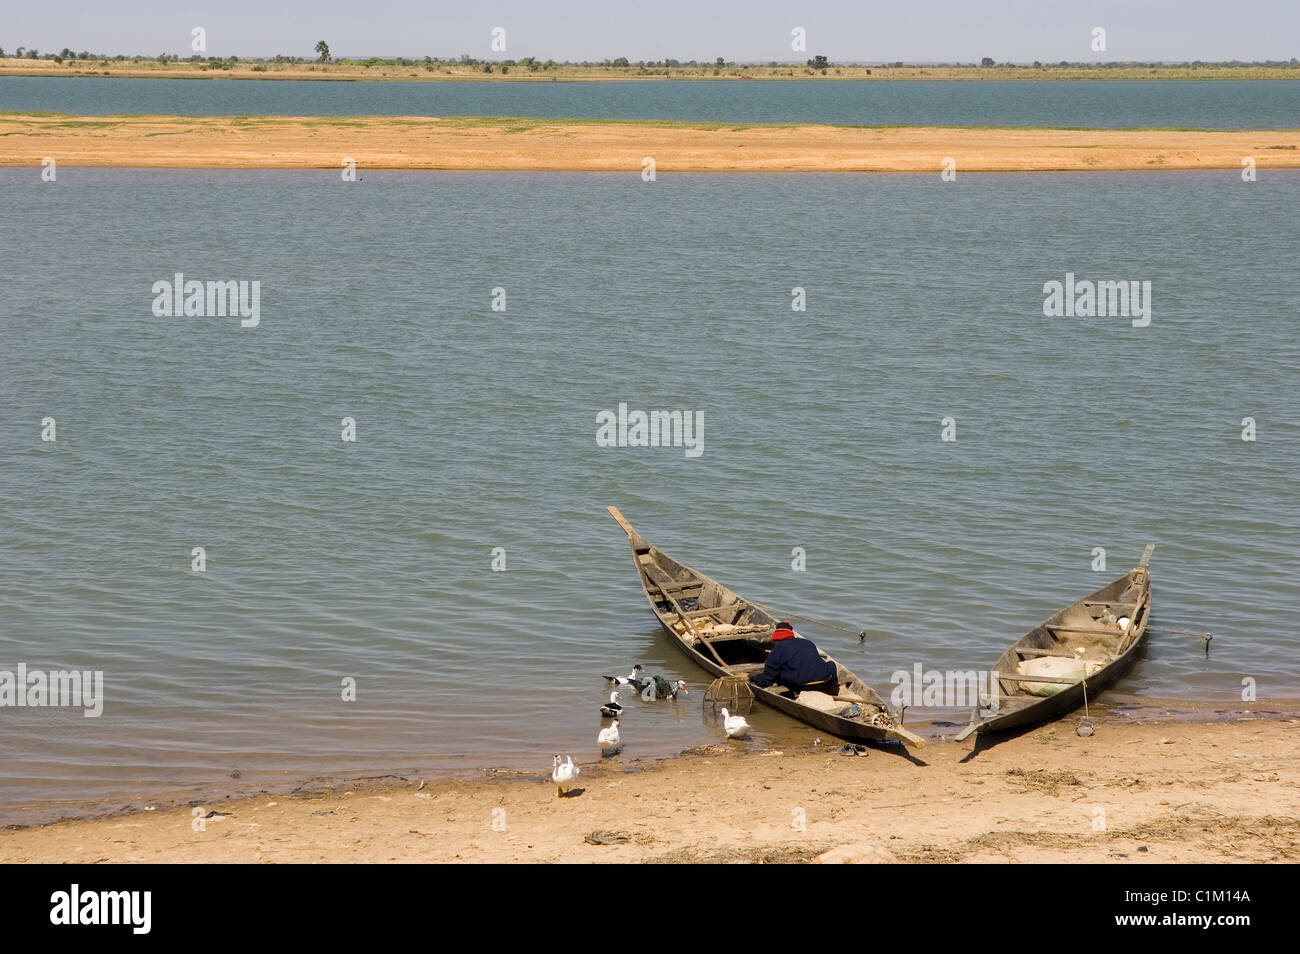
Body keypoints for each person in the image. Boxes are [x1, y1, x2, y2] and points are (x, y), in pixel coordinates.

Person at [749, 621, 840, 696]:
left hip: (803, 685)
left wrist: (754, 678)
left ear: (776, 639)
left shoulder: (776, 651)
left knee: (780, 675)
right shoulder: (807, 642)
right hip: (825, 680)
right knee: (830, 664)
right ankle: (833, 686)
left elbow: (766, 680)